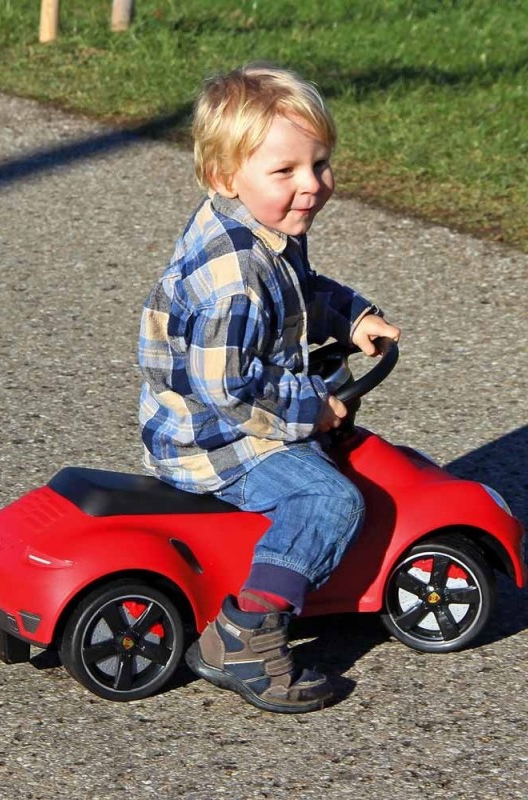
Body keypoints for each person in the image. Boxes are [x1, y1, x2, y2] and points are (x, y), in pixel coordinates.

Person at [137, 62, 401, 713]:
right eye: (285, 172)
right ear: (226, 176)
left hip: (228, 407)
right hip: (212, 436)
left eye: (320, 163)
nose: (311, 185)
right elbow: (229, 390)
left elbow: (301, 292)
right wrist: (312, 408)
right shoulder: (233, 276)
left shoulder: (262, 230)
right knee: (331, 502)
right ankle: (248, 634)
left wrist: (352, 315)